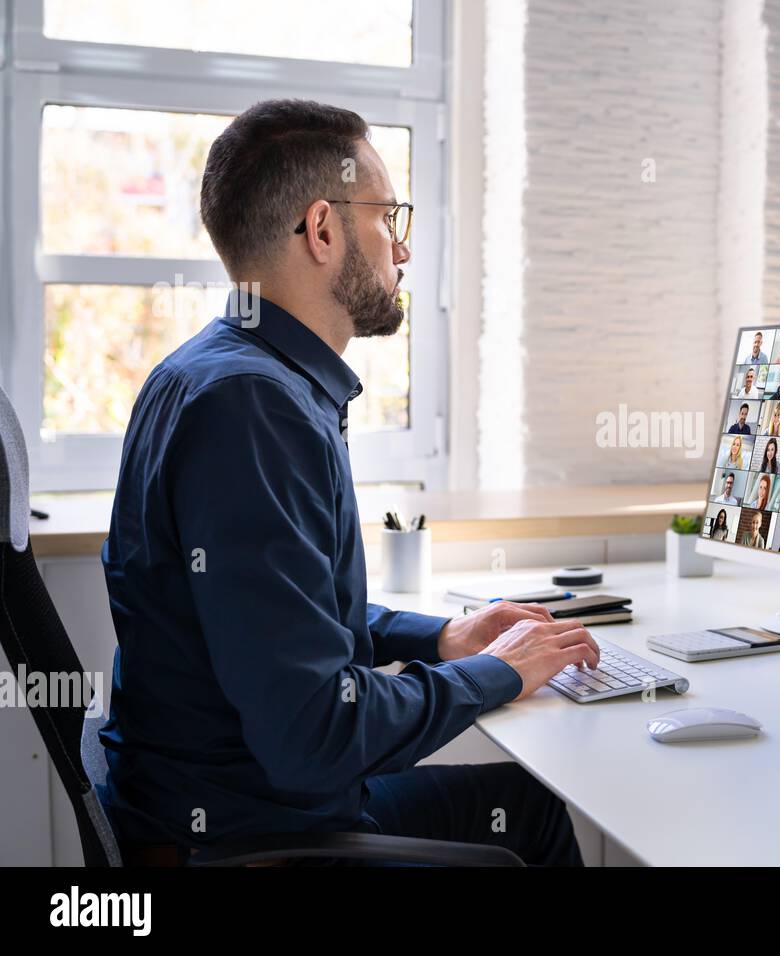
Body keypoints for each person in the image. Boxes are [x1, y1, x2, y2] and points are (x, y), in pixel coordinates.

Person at [100, 99, 590, 865]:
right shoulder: (253, 407)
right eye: (387, 217)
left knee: (522, 805)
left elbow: (287, 618)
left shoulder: (219, 373)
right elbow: (316, 731)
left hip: (217, 802)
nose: (401, 247)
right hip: (248, 833)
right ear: (322, 229)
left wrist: (440, 636)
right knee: (520, 832)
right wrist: (497, 674)